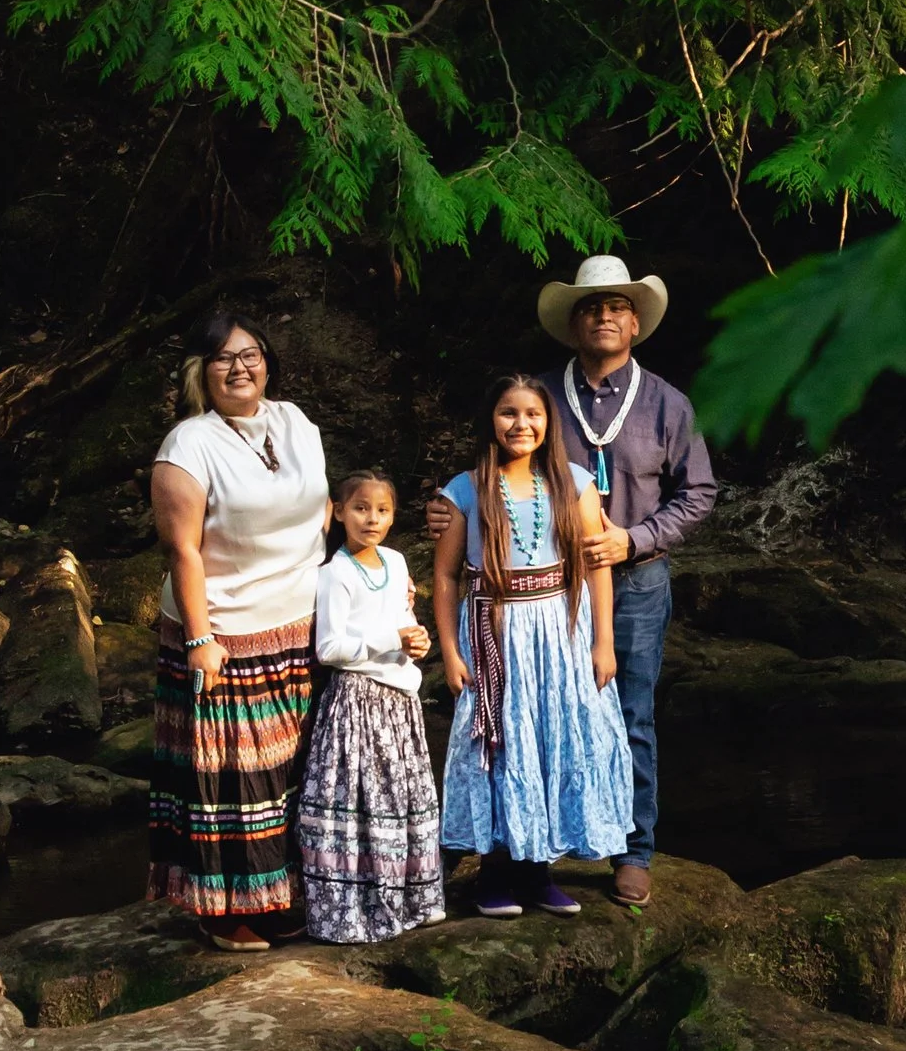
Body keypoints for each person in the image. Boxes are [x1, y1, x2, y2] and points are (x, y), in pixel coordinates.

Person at [432, 251, 713, 912]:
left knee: (629, 716)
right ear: (572, 324)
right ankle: (518, 853)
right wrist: (449, 510)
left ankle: (631, 851)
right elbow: (490, 485)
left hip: (633, 580)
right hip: (540, 596)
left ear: (636, 323)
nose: (604, 317)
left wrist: (633, 539)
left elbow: (698, 493)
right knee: (529, 716)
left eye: (617, 306)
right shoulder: (542, 399)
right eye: (591, 306)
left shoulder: (668, 404)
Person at [148, 310, 329, 945]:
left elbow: (324, 509)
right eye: (223, 359)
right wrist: (200, 640)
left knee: (289, 772)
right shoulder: (188, 445)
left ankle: (279, 895)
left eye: (249, 354)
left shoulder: (295, 422)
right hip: (224, 632)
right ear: (200, 372)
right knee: (234, 781)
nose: (240, 367)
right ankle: (226, 910)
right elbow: (183, 552)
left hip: (300, 627)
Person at [431, 372, 633, 916]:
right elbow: (448, 576)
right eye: (508, 413)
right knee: (500, 745)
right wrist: (450, 651)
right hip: (496, 632)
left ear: (549, 423)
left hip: (561, 633)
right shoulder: (464, 489)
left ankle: (539, 873)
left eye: (533, 414)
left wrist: (603, 642)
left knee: (550, 739)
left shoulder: (574, 482)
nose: (521, 424)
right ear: (490, 422)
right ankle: (494, 874)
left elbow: (597, 569)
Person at [299, 470, 444, 946]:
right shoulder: (334, 573)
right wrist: (390, 640)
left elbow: (401, 618)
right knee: (361, 801)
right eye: (361, 508)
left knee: (400, 797)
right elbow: (330, 648)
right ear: (339, 512)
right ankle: (356, 908)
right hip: (357, 701)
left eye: (382, 510)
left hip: (398, 699)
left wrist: (415, 638)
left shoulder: (397, 562)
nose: (372, 519)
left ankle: (411, 896)